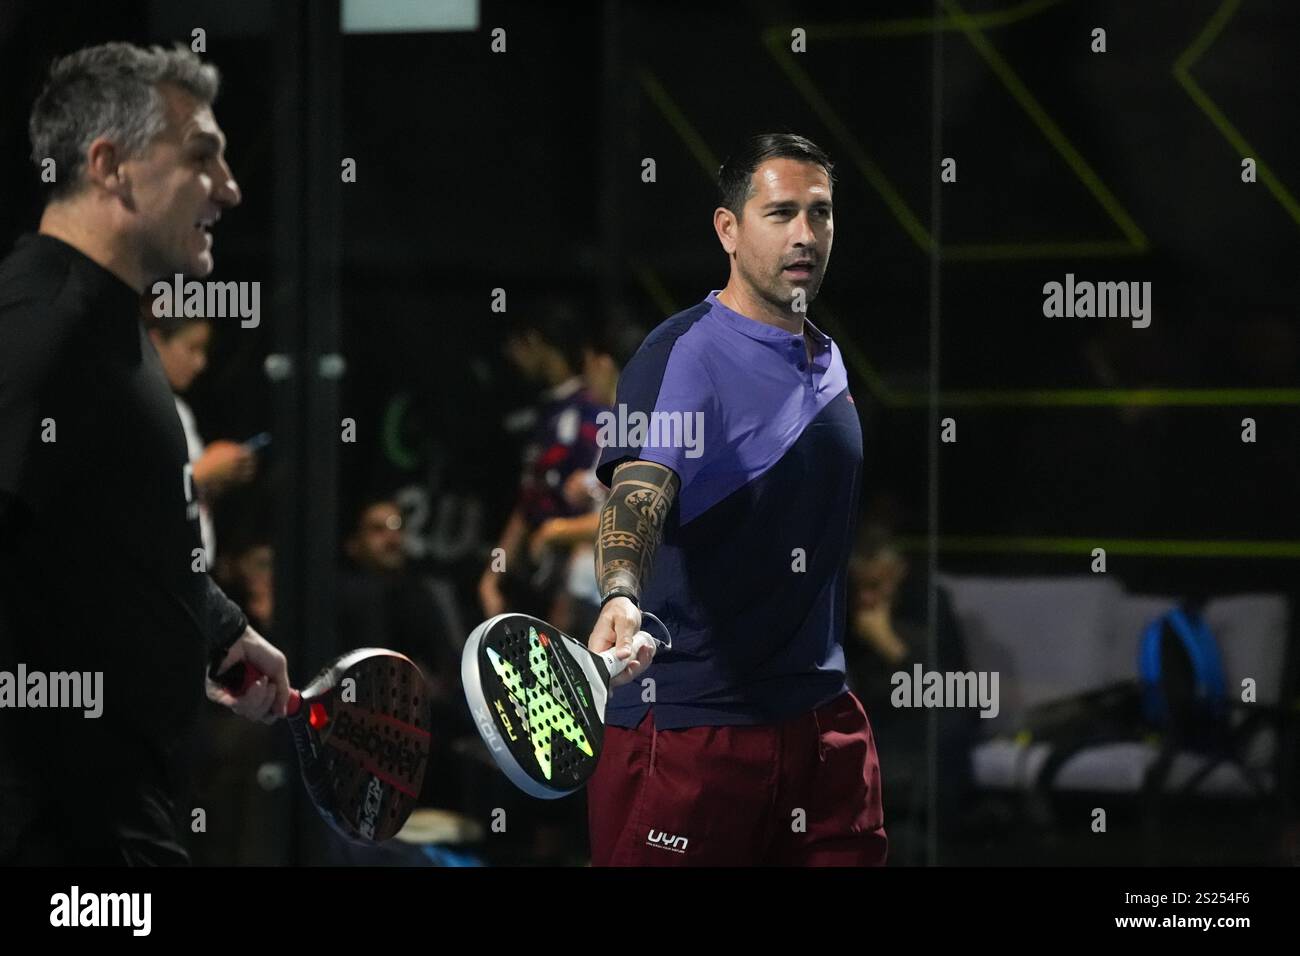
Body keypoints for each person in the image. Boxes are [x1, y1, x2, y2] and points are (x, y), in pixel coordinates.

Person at [0, 42, 289, 865]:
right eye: (202, 157)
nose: (230, 188)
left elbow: (100, 537)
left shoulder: (100, 330)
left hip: (117, 826)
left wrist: (218, 628)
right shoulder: (39, 334)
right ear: (110, 165)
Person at [584, 132, 886, 865]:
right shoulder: (680, 354)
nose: (805, 235)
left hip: (822, 726)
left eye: (821, 214)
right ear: (729, 228)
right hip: (690, 733)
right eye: (781, 213)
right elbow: (637, 496)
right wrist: (620, 591)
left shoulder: (828, 356)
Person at [477, 298, 606, 631]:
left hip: (578, 589)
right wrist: (493, 577)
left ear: (533, 341)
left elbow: (603, 507)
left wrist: (571, 584)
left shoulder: (593, 415)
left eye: (514, 347)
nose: (511, 360)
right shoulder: (543, 413)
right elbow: (529, 500)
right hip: (537, 583)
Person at [143, 307, 256, 565]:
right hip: (158, 572)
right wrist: (204, 471)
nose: (200, 363)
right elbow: (135, 498)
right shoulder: (133, 410)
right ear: (155, 340)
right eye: (192, 348)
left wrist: (217, 479)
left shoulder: (180, 410)